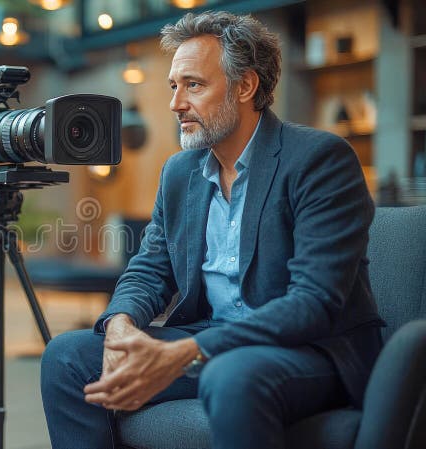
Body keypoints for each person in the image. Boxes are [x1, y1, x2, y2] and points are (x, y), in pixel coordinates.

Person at [41, 11, 383, 449]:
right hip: (208, 333)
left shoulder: (319, 160)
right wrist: (121, 323)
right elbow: (151, 266)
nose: (175, 103)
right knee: (67, 357)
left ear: (245, 86)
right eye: (173, 86)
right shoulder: (180, 171)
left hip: (310, 348)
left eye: (194, 85)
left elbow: (313, 303)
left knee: (230, 373)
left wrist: (184, 354)